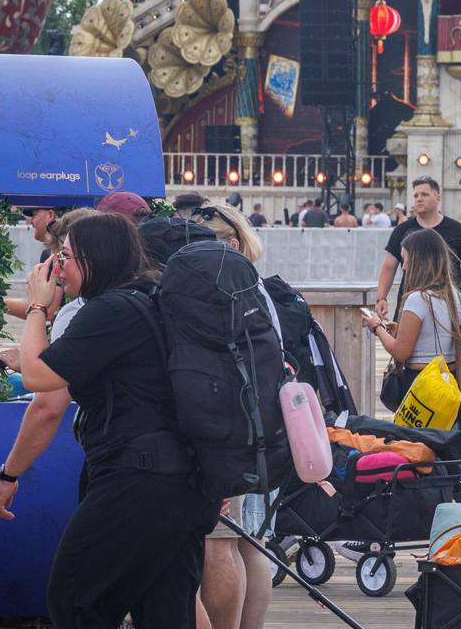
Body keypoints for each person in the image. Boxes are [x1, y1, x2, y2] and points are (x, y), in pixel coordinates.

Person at [20, 213, 219, 628]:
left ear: (95, 259)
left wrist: (39, 306)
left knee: (74, 598)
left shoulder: (110, 310)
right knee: (166, 610)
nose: (58, 267)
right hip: (185, 479)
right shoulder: (153, 297)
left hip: (137, 477)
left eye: (66, 256)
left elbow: (37, 376)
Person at [189, 201, 274, 629]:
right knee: (248, 542)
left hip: (228, 430)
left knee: (218, 542)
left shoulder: (225, 290)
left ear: (232, 243)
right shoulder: (256, 288)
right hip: (256, 428)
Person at [0, 209, 96, 525]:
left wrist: (9, 474)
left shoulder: (82, 312)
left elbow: (48, 401)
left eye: (62, 258)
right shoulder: (135, 296)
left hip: (121, 463)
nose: (55, 270)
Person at [362, 228, 461, 428]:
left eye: (406, 260)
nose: (404, 267)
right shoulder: (454, 295)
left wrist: (377, 327)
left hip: (422, 385)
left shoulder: (418, 299)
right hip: (449, 382)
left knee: (417, 450)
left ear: (418, 261)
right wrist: (399, 330)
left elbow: (401, 352)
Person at [374, 177, 461, 321]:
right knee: (405, 343)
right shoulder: (403, 230)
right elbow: (388, 267)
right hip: (409, 304)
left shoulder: (457, 230)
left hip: (448, 305)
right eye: (416, 195)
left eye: (424, 194)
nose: (419, 199)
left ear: (438, 197)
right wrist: (381, 298)